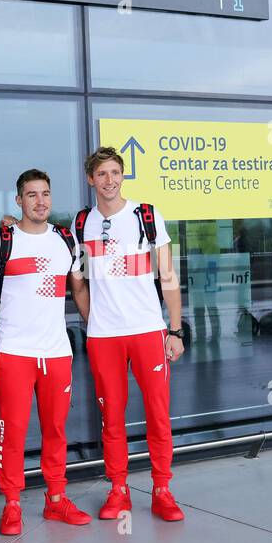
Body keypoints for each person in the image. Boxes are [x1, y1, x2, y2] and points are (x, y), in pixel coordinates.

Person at [69, 146, 186, 522]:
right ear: (91, 179)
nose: (109, 180)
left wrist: (176, 329)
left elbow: (168, 276)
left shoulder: (146, 215)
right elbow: (79, 283)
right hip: (104, 337)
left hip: (148, 331)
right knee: (111, 418)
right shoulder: (81, 222)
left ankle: (162, 489)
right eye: (101, 174)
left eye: (115, 172)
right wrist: (94, 323)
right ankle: (118, 490)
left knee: (158, 414)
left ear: (123, 176)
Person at [0, 169, 91, 535]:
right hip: (13, 352)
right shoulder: (0, 242)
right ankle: (12, 504)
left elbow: (78, 290)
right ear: (19, 200)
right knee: (12, 432)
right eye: (32, 195)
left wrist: (97, 330)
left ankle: (56, 500)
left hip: (57, 352)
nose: (40, 201)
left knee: (56, 430)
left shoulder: (65, 241)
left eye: (45, 193)